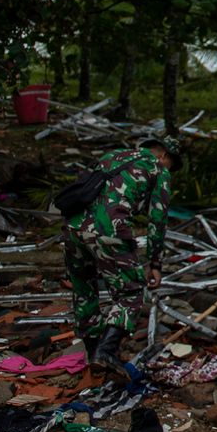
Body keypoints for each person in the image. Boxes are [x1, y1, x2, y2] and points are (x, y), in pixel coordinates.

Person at [64, 135, 181, 376]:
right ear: (164, 155)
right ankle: (105, 352)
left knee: (84, 289)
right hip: (109, 231)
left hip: (73, 227)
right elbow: (157, 220)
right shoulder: (159, 169)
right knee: (131, 290)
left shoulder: (112, 156)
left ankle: (93, 353)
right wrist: (155, 263)